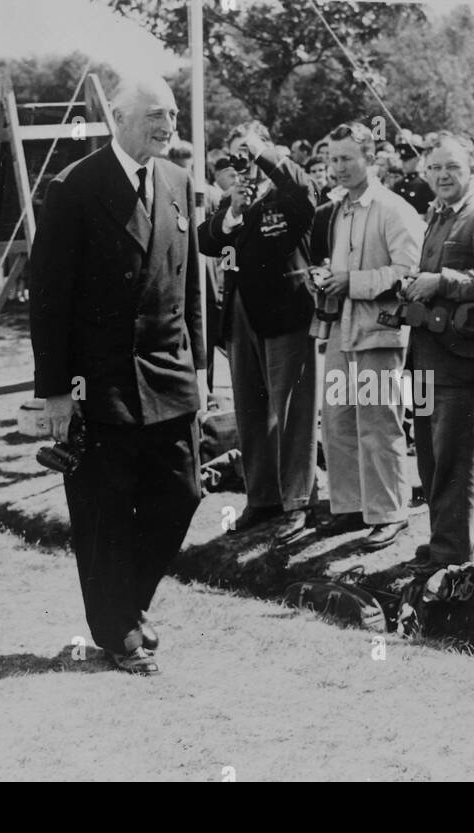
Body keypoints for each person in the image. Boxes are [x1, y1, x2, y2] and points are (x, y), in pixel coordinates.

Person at [29, 74, 204, 676]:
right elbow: (47, 297)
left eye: (175, 116)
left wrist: (199, 366)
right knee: (104, 509)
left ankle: (127, 606)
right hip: (97, 383)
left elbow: (190, 286)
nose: (169, 126)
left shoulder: (178, 182)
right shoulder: (74, 186)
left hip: (169, 373)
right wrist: (54, 390)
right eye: (157, 115)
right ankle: (118, 630)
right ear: (121, 119)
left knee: (183, 493)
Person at [199, 121, 319, 544]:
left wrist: (263, 154)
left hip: (285, 314)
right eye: (236, 156)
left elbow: (307, 192)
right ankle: (263, 497)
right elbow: (206, 240)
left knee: (292, 414)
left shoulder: (289, 191)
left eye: (248, 154)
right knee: (252, 413)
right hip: (241, 316)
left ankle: (298, 501)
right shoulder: (240, 199)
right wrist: (232, 209)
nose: (243, 164)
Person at [403, 136, 474, 568]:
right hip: (429, 354)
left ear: (472, 168)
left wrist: (442, 281)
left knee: (457, 459)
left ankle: (455, 553)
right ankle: (443, 541)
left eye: (452, 167)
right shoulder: (438, 214)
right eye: (435, 168)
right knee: (432, 457)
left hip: (465, 360)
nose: (443, 176)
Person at [310, 122, 423, 549]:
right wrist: (325, 280)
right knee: (338, 421)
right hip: (342, 328)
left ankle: (390, 511)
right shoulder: (339, 208)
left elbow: (408, 273)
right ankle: (351, 506)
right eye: (331, 159)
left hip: (380, 330)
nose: (336, 167)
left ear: (370, 159)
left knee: (379, 423)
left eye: (345, 159)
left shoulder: (393, 208)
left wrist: (352, 282)